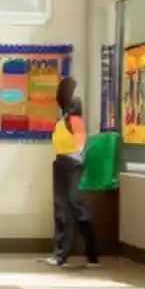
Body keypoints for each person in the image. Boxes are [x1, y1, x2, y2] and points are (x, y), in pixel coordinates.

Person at [43, 77, 100, 269]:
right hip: (62, 162)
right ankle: (62, 255)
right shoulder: (63, 115)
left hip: (72, 163)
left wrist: (77, 157)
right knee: (64, 208)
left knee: (72, 207)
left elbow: (80, 140)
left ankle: (85, 254)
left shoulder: (73, 112)